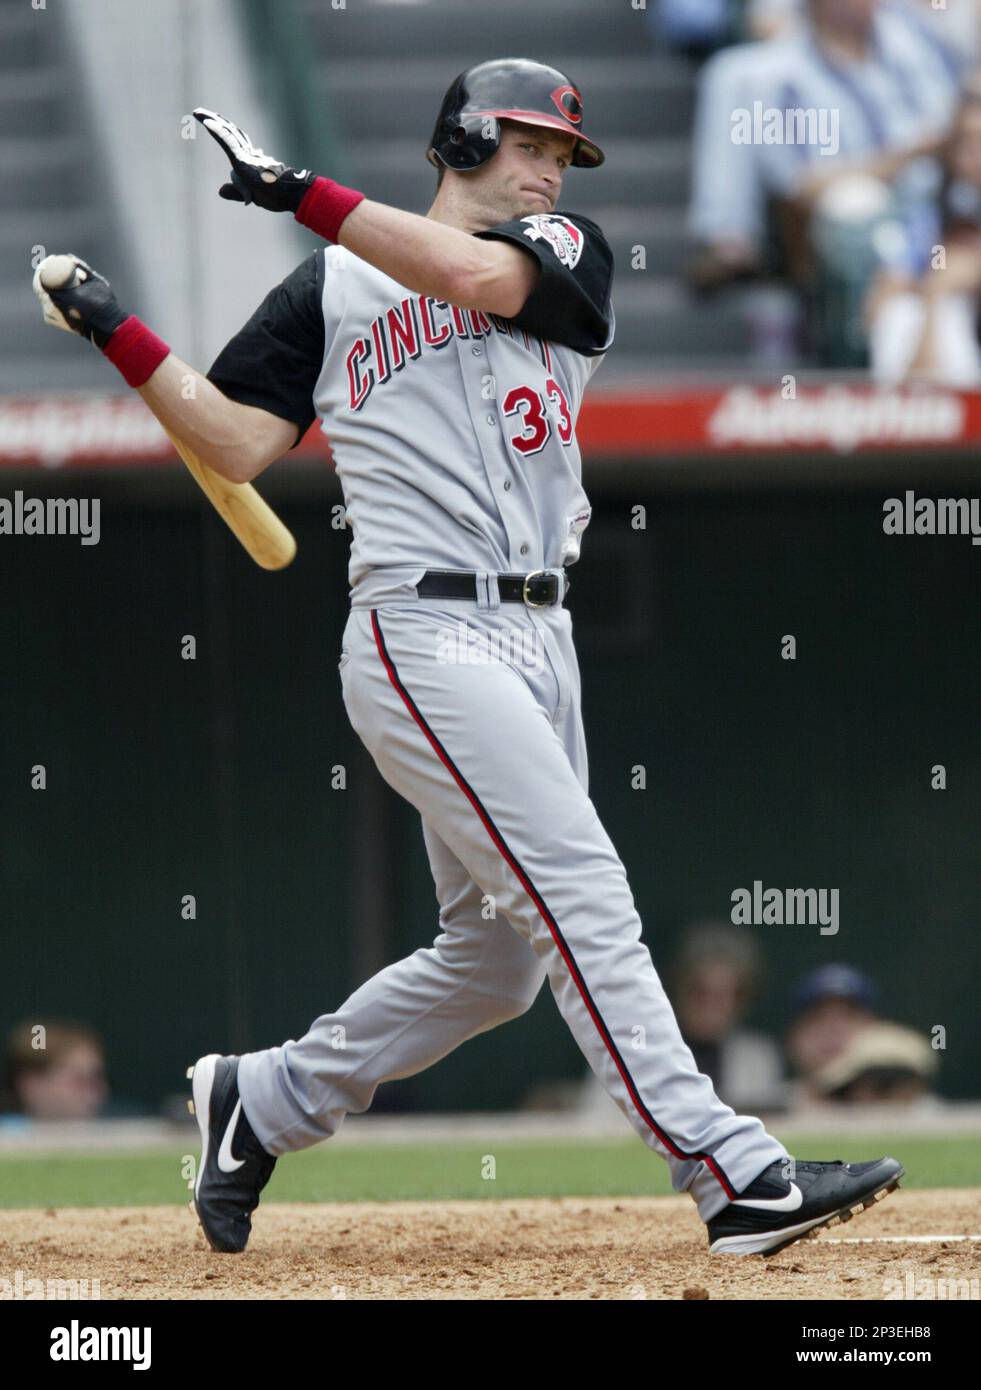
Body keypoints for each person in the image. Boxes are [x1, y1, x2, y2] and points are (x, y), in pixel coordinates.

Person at [33, 57, 903, 1260]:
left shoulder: (563, 248)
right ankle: (728, 1170)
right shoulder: (326, 291)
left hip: (543, 632)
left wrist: (301, 189)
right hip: (422, 628)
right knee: (583, 894)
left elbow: (467, 274)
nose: (549, 167)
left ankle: (263, 1097)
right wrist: (122, 334)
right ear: (459, 138)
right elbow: (232, 443)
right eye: (528, 143)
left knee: (494, 962)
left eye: (560, 152)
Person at [1, 1019, 108, 1121]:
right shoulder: (5, 1135)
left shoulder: (116, 1131)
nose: (94, 1091)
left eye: (97, 1078)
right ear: (31, 1082)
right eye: (79, 1080)